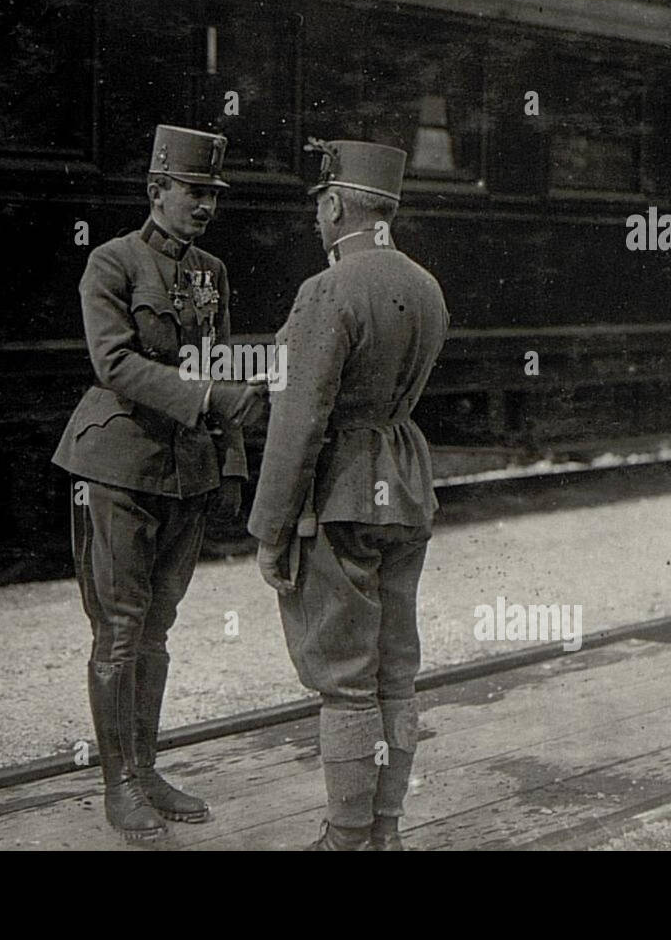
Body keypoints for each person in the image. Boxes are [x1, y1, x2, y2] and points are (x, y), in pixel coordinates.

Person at [52, 125, 265, 842]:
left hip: (187, 473)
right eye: (193, 191)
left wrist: (232, 461)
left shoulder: (212, 271)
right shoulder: (111, 263)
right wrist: (206, 402)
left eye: (212, 194)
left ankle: (146, 768)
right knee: (118, 628)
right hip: (114, 465)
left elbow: (226, 362)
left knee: (157, 627)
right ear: (156, 190)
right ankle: (119, 784)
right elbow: (114, 363)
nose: (204, 206)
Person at [248, 139, 450, 850]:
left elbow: (298, 420)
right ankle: (386, 830)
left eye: (318, 206)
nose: (314, 220)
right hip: (406, 483)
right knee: (397, 669)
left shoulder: (327, 290)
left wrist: (271, 529)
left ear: (336, 204)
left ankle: (346, 838)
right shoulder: (426, 285)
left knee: (345, 681)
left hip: (341, 493)